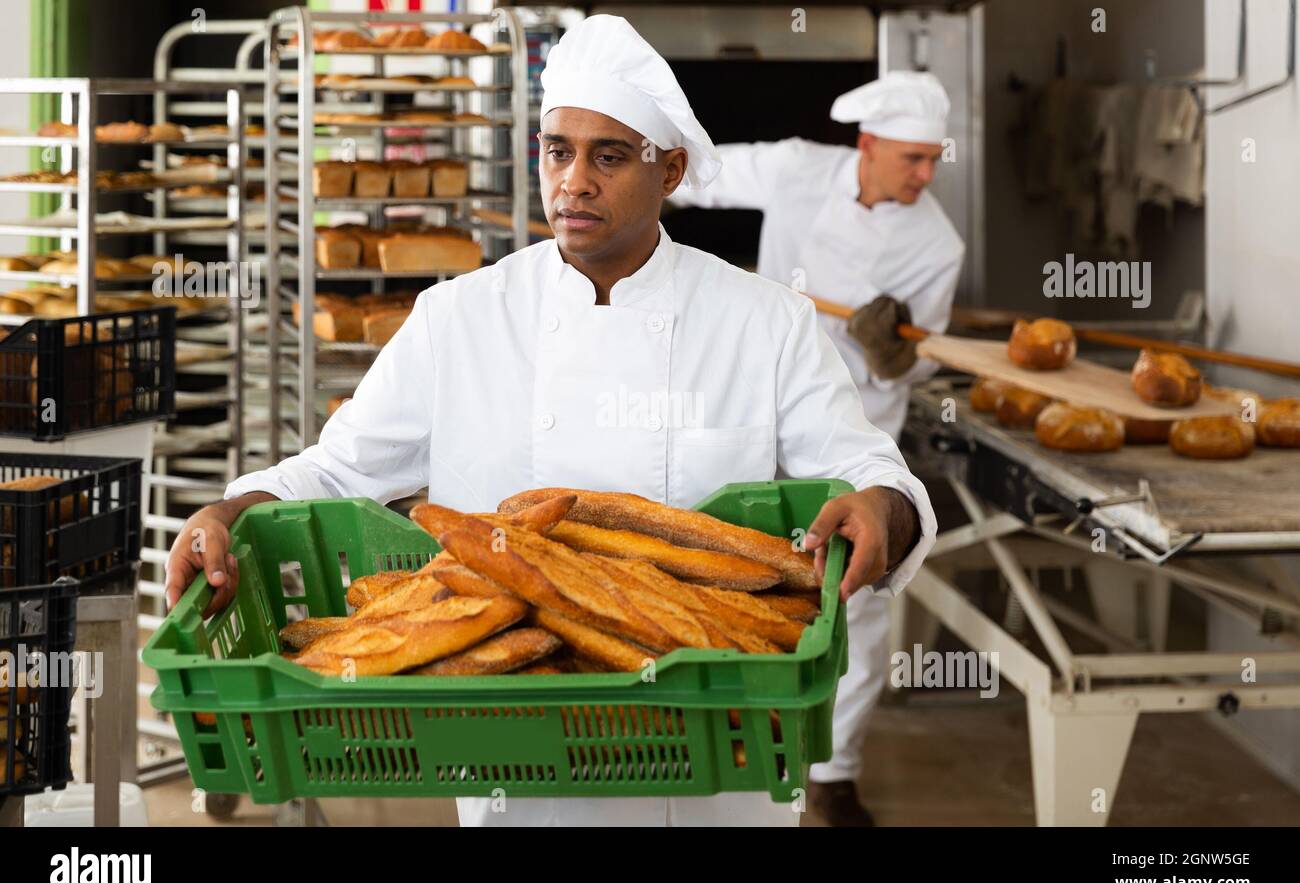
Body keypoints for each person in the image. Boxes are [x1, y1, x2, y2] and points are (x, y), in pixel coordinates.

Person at [164, 16, 937, 828]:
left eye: (608, 156)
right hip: (514, 770)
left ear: (670, 168)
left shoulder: (765, 321)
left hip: (714, 774)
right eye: (556, 151)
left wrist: (882, 505)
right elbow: (332, 471)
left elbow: (871, 473)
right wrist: (229, 509)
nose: (573, 181)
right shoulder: (459, 317)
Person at [670, 71, 965, 825]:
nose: (927, 176)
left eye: (934, 160)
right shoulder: (801, 167)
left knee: (854, 595)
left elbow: (922, 354)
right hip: (756, 405)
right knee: (735, 565)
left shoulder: (937, 240)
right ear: (867, 146)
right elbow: (705, 171)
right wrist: (634, 190)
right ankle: (720, 740)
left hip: (853, 430)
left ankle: (834, 772)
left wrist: (898, 350)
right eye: (912, 160)